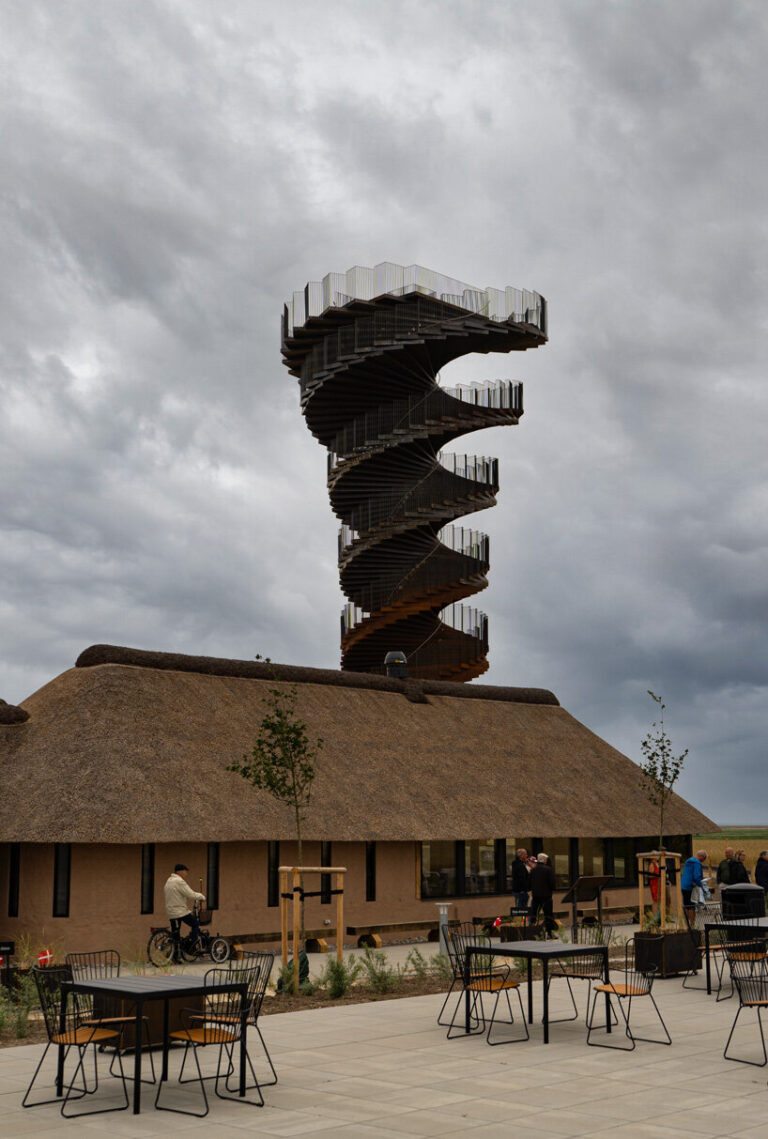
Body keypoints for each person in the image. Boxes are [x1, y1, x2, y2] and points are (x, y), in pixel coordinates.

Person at [164, 863, 205, 956]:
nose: (186, 874)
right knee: (195, 924)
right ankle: (192, 947)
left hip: (171, 911)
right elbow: (190, 894)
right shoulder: (179, 881)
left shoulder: (169, 881)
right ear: (181, 871)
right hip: (179, 912)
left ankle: (175, 956)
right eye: (185, 872)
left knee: (176, 934)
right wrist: (202, 897)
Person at [529, 852, 557, 936]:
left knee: (534, 914)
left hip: (536, 896)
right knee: (548, 915)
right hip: (546, 896)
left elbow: (529, 882)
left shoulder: (533, 870)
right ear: (545, 861)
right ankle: (550, 933)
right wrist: (552, 889)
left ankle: (532, 932)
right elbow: (552, 883)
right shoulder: (549, 870)